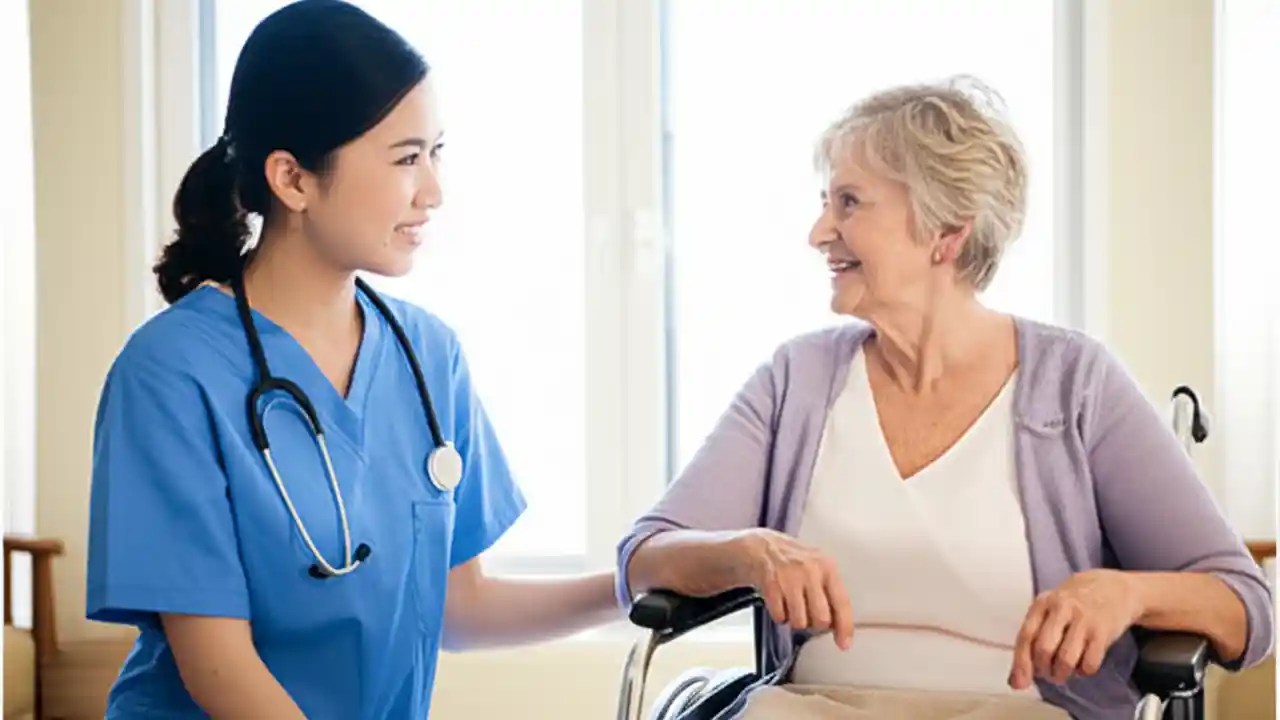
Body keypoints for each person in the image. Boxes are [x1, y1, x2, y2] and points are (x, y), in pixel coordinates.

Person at [617, 78, 1274, 719]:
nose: (819, 231)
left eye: (849, 202)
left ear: (947, 233)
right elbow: (644, 557)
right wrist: (751, 554)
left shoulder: (1076, 384)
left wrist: (1125, 595)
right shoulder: (797, 381)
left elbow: (1247, 606)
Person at [85, 2, 618, 718]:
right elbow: (217, 665)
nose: (433, 191)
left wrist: (633, 586)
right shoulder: (171, 372)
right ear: (293, 179)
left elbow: (460, 606)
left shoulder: (429, 356)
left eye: (436, 152)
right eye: (405, 158)